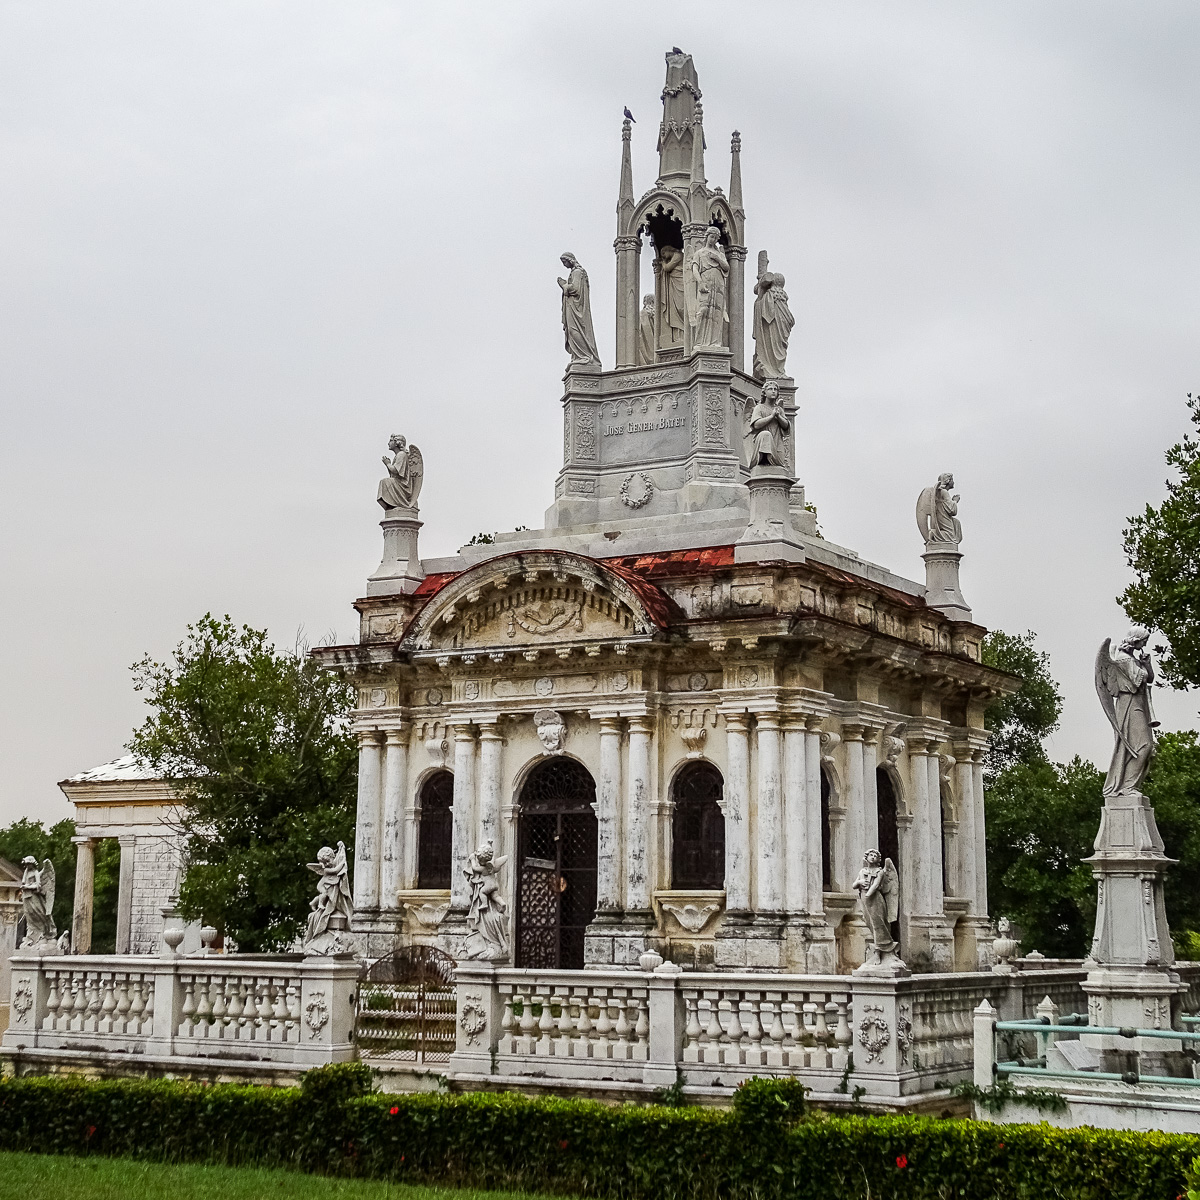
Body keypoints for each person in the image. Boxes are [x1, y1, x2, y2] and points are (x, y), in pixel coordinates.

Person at [1096, 626, 1159, 796]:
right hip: (1129, 704)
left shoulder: (1132, 659)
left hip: (1139, 704)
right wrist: (1143, 668)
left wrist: (1147, 664)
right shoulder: (1124, 659)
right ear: (1135, 639)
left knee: (1146, 747)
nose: (1145, 643)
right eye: (1144, 640)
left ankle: (1131, 785)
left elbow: (1149, 678)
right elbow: (1139, 680)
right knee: (1144, 745)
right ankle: (1127, 786)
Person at [852, 850, 901, 965]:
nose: (873, 857)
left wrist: (869, 894)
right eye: (871, 855)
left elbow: (876, 884)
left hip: (875, 898)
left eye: (875, 856)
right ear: (866, 857)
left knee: (879, 923)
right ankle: (878, 952)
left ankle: (881, 952)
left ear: (878, 859)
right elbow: (854, 885)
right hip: (864, 898)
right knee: (869, 923)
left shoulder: (880, 871)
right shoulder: (862, 871)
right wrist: (860, 881)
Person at [558, 253, 600, 365]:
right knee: (572, 332)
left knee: (574, 330)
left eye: (564, 262)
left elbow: (575, 289)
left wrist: (564, 286)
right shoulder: (575, 272)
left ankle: (585, 356)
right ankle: (578, 356)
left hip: (576, 308)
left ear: (570, 260)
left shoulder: (577, 272)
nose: (564, 265)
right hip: (573, 307)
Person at [691, 226, 728, 348]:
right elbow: (695, 269)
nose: (713, 240)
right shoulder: (699, 253)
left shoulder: (719, 254)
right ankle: (700, 342)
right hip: (706, 282)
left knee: (717, 311)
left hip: (718, 284)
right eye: (711, 237)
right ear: (707, 236)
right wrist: (700, 282)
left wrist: (717, 258)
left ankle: (715, 342)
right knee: (703, 310)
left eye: (716, 238)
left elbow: (727, 268)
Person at [747, 380, 790, 467]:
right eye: (770, 389)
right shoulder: (759, 408)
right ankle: (764, 460)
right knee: (765, 434)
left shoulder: (779, 409)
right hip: (761, 440)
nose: (773, 391)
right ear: (765, 393)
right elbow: (756, 425)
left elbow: (786, 426)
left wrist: (778, 416)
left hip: (777, 442)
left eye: (775, 389)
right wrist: (771, 416)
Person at [657, 246, 686, 347]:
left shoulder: (678, 255)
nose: (664, 257)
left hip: (680, 285)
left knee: (681, 308)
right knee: (675, 310)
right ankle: (679, 336)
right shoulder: (675, 256)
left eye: (664, 254)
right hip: (674, 286)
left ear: (667, 251)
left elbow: (667, 268)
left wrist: (663, 263)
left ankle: (685, 336)